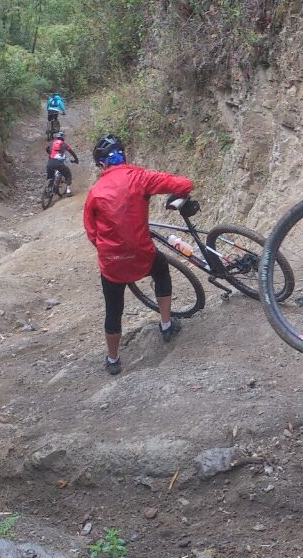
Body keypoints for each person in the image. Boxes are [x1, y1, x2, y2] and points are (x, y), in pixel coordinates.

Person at [83, 134, 194, 375]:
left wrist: (112, 250)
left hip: (112, 263)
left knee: (113, 308)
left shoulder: (94, 193)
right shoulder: (140, 177)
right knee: (162, 268)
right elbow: (184, 184)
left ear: (102, 163)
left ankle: (113, 360)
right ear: (123, 155)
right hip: (142, 254)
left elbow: (92, 234)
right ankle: (166, 325)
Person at [45, 131, 79, 196]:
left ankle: (47, 191)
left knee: (50, 177)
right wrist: (76, 160)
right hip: (59, 164)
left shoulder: (52, 143)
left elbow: (47, 149)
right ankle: (68, 191)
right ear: (63, 138)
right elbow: (72, 152)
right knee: (68, 174)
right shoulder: (64, 145)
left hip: (50, 163)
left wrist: (50, 153)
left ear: (57, 137)